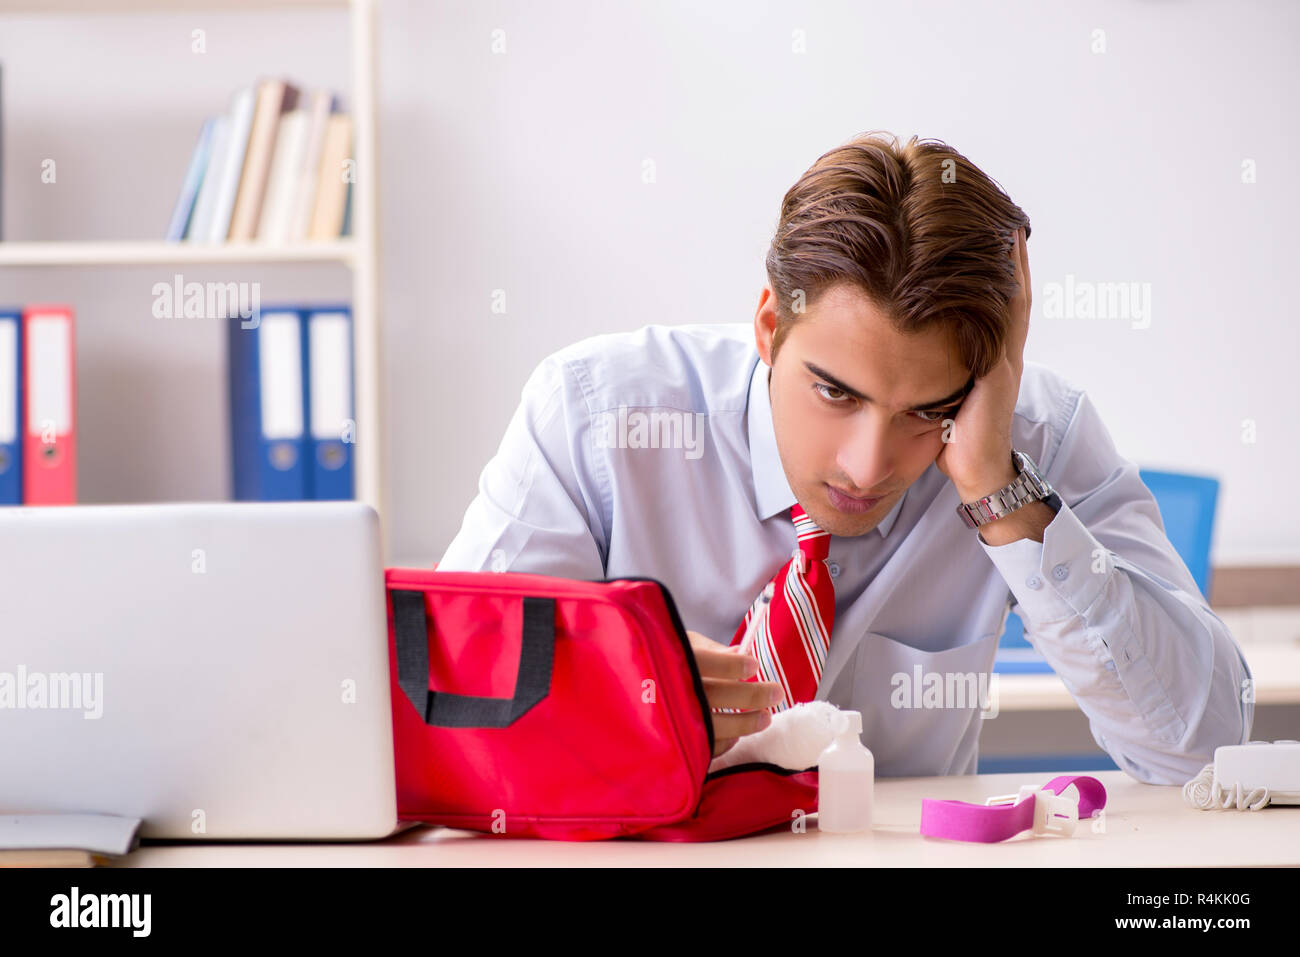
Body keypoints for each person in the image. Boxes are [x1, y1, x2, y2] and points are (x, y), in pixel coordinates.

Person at [437, 130, 1252, 784]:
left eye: (926, 412)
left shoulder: (1030, 438)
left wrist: (1000, 492)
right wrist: (621, 685)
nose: (868, 467)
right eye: (835, 393)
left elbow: (1204, 747)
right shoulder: (594, 419)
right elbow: (448, 713)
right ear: (768, 325)